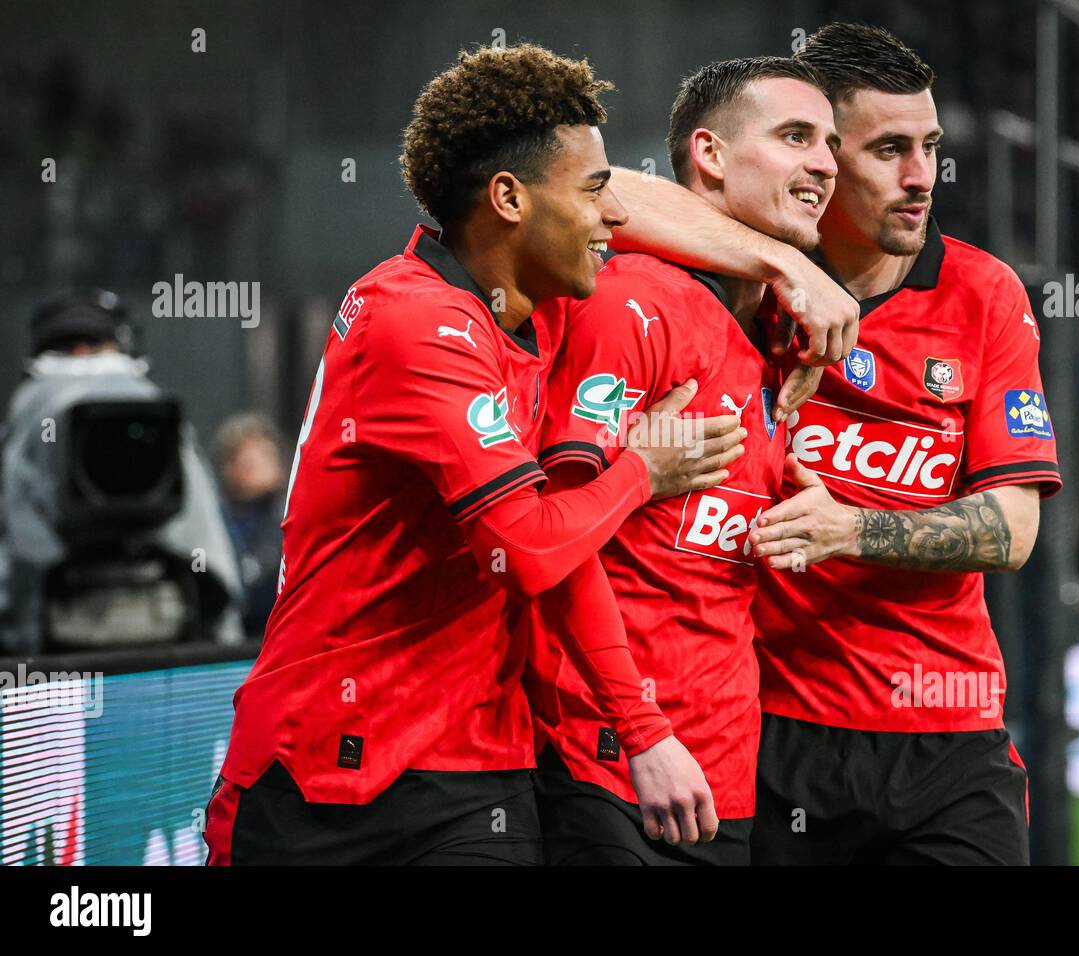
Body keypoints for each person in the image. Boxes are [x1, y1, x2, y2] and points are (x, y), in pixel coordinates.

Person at [203, 44, 747, 866]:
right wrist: (642, 472)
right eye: (593, 193)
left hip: (481, 767)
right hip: (328, 770)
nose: (614, 218)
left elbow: (566, 551)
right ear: (509, 200)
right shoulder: (413, 322)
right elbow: (528, 547)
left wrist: (641, 731)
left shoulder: (544, 312)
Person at [607, 23, 1062, 865]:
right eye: (887, 150)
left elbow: (1013, 530)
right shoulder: (744, 289)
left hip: (946, 732)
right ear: (816, 160)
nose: (922, 177)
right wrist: (789, 269)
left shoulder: (981, 293)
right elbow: (607, 194)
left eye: (928, 146)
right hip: (777, 738)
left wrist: (847, 528)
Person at [528, 56, 839, 865]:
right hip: (608, 764)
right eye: (795, 136)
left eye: (831, 146)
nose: (825, 165)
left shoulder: (776, 341)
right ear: (708, 155)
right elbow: (555, 540)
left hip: (722, 773)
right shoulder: (630, 298)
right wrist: (642, 734)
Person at [0, 290, 242, 653]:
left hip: (54, 642)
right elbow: (206, 543)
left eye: (92, 342)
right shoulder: (148, 403)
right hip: (151, 634)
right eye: (70, 344)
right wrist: (220, 635)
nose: (82, 354)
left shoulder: (26, 414)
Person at [211, 412, 288, 640]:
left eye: (265, 455)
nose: (254, 464)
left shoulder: (294, 515)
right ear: (228, 468)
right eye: (245, 459)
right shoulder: (216, 521)